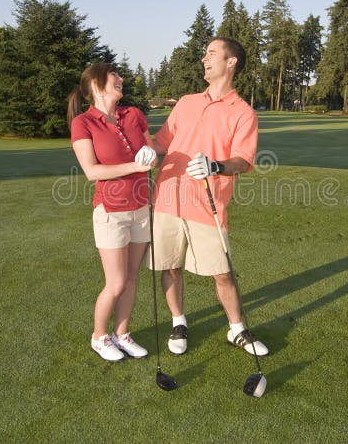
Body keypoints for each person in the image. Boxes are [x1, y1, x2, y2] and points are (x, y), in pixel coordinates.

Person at [151, 37, 269, 357]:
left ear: (231, 63)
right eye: (205, 54)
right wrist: (147, 148)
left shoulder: (243, 113)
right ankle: (179, 322)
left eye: (212, 54)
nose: (204, 59)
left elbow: (243, 161)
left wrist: (216, 166)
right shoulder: (187, 102)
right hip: (167, 199)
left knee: (223, 273)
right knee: (170, 266)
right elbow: (162, 141)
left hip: (207, 205)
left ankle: (237, 330)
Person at [68, 63, 158, 362]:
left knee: (132, 278)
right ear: (96, 82)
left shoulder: (133, 114)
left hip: (142, 207)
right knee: (116, 282)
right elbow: (92, 171)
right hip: (111, 211)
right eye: (115, 75)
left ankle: (122, 334)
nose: (121, 79)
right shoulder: (83, 122)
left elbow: (151, 149)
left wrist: (151, 156)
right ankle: (99, 337)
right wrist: (136, 165)